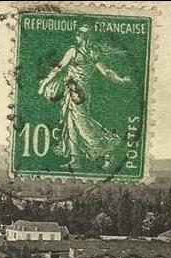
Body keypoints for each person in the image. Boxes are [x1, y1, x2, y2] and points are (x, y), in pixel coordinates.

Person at [37, 25, 130, 171]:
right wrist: (121, 80)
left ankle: (105, 153)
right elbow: (106, 72)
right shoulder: (92, 54)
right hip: (76, 90)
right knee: (70, 123)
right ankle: (75, 160)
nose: (76, 37)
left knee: (82, 123)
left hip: (77, 92)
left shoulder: (74, 51)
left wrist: (44, 84)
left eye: (79, 35)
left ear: (85, 37)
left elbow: (59, 68)